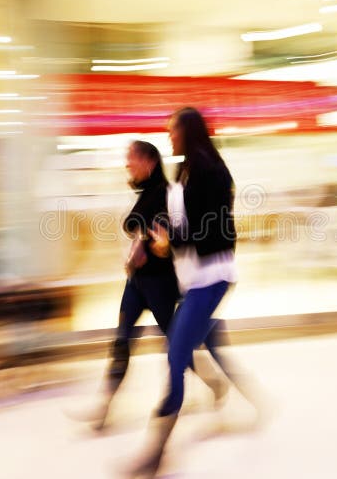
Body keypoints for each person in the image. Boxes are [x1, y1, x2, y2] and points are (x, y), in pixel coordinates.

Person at [125, 107, 256, 477]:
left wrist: (173, 242)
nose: (168, 135)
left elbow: (216, 232)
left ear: (187, 131)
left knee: (177, 352)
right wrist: (161, 235)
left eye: (172, 129)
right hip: (194, 278)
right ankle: (252, 397)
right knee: (209, 341)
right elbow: (181, 221)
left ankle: (156, 452)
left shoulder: (211, 172)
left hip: (212, 276)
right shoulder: (187, 170)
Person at [76, 140, 225, 431]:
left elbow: (168, 234)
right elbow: (138, 227)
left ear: (149, 161)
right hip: (137, 284)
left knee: (176, 344)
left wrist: (147, 242)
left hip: (160, 286)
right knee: (121, 341)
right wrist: (137, 245)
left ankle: (213, 382)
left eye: (131, 158)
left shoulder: (167, 194)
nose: (127, 164)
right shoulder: (146, 193)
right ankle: (103, 408)